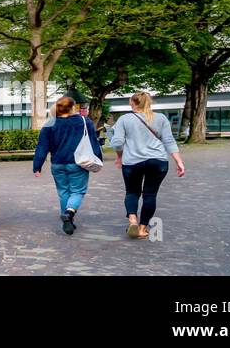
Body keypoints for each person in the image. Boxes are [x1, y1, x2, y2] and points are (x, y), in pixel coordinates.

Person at [110, 91, 186, 239]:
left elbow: (117, 143)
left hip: (132, 162)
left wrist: (119, 156)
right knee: (150, 195)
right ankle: (143, 228)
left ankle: (132, 219)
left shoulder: (124, 119)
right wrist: (179, 161)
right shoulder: (161, 118)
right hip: (158, 161)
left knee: (132, 192)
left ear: (132, 103)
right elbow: (169, 141)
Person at [32, 96, 103, 235]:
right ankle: (69, 213)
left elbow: (42, 147)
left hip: (58, 164)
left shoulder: (50, 124)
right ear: (73, 107)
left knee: (63, 192)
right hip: (78, 163)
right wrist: (98, 159)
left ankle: (67, 221)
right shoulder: (84, 121)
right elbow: (93, 142)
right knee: (77, 191)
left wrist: (37, 166)